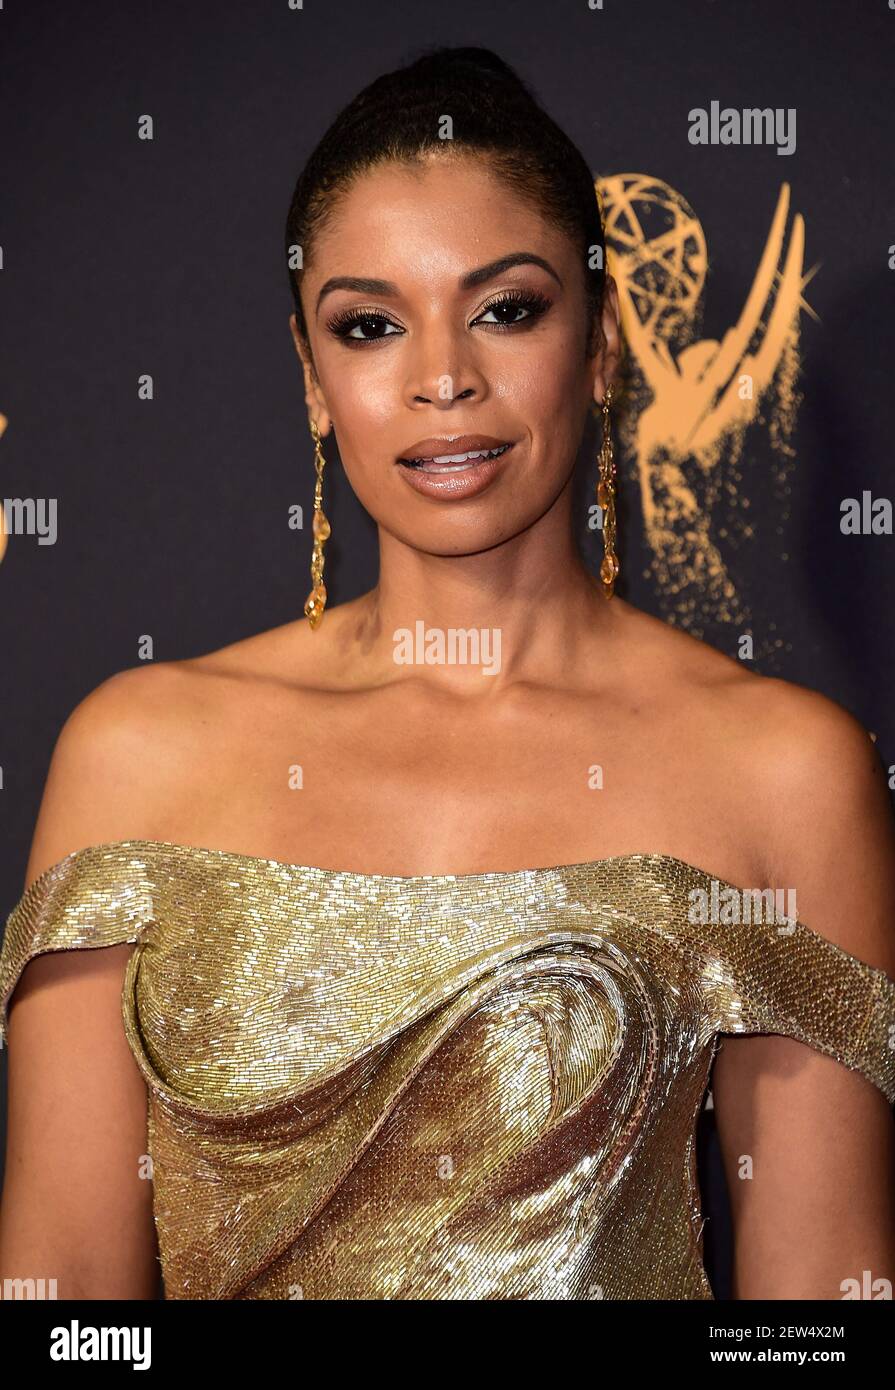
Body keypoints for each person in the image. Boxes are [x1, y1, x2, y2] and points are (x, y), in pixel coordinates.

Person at [0, 45, 893, 1301]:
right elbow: (64, 1308)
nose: (441, 378)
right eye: (369, 326)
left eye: (506, 308)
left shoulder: (781, 768)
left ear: (600, 344)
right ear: (315, 381)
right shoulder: (136, 752)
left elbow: (818, 1318)